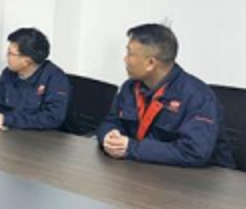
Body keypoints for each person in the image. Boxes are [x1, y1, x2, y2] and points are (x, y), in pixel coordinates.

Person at [96, 23, 235, 168]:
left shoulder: (198, 96)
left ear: (150, 63)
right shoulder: (130, 87)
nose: (125, 59)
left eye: (130, 54)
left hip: (202, 178)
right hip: (147, 169)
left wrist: (131, 148)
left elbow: (194, 152)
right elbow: (111, 121)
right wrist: (108, 136)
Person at [0, 28, 70, 130]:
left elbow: (52, 118)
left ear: (26, 61)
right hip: (9, 133)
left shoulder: (55, 79)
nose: (7, 57)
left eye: (10, 53)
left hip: (38, 137)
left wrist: (6, 120)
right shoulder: (9, 72)